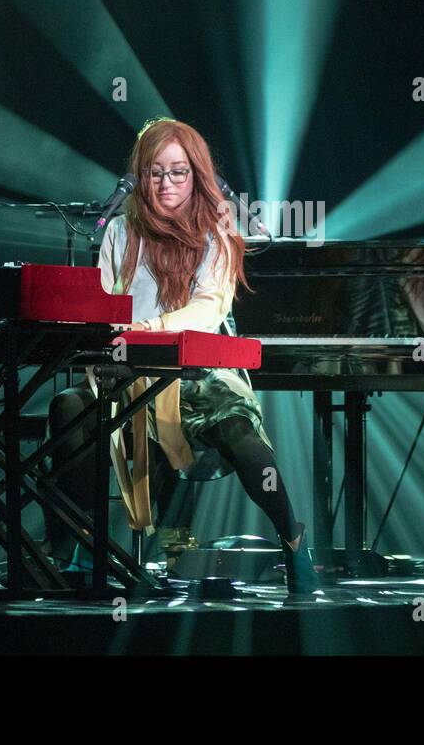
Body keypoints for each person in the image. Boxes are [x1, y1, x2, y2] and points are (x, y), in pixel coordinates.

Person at [45, 118, 319, 594]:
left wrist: (154, 327)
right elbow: (108, 297)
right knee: (68, 408)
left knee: (235, 427)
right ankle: (73, 544)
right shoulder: (120, 231)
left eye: (178, 172)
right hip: (130, 369)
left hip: (197, 368)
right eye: (155, 173)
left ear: (196, 174)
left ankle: (291, 535)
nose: (167, 184)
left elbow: (209, 306)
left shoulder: (216, 230)